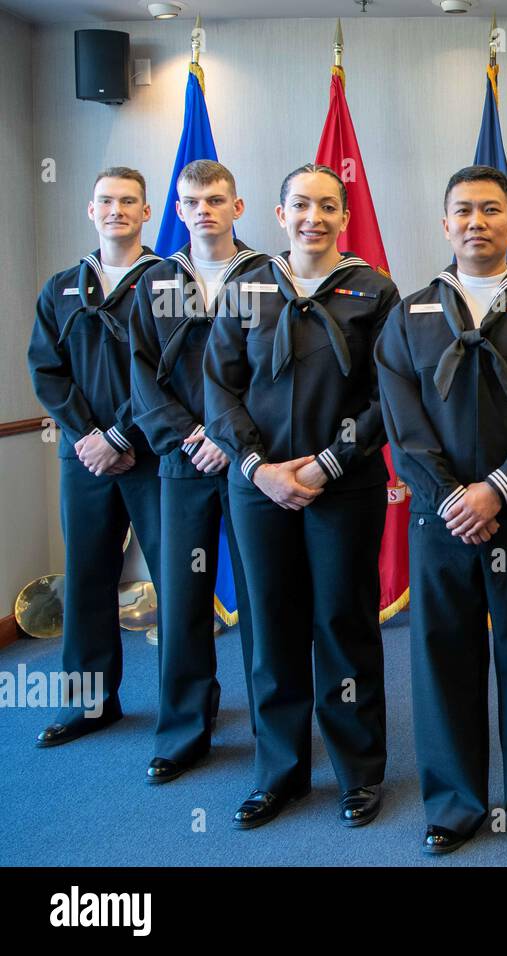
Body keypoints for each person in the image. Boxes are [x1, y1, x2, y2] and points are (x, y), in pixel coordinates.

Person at [375, 165, 507, 856]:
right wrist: (451, 496)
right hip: (439, 520)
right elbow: (402, 422)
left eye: (491, 210)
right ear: (445, 225)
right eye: (462, 210)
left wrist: (497, 487)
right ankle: (453, 803)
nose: (476, 222)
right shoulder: (410, 314)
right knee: (442, 660)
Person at [204, 163, 397, 828]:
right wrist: (259, 468)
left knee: (343, 625)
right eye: (300, 206)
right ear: (279, 216)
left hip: (343, 488)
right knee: (270, 630)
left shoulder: (375, 292)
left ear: (345, 217)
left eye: (327, 206)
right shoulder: (246, 287)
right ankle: (278, 772)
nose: (313, 217)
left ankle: (358, 775)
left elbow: (387, 397)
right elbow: (218, 388)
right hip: (257, 490)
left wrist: (324, 465)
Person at [130, 159, 266, 783]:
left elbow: (279, 377)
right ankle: (184, 729)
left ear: (238, 208)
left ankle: (275, 726)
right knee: (182, 600)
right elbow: (141, 374)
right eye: (192, 201)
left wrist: (228, 439)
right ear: (177, 211)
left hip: (249, 462)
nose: (204, 209)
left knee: (265, 600)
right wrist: (190, 438)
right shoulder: (156, 282)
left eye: (216, 199)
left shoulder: (268, 278)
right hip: (182, 462)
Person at [28, 167, 163, 747]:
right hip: (83, 458)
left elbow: (173, 373)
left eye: (128, 201)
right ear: (91, 210)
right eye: (106, 200)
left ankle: (187, 711)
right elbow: (47, 370)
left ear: (146, 212)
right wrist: (90, 435)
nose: (117, 210)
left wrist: (122, 436)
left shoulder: (169, 283)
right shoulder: (61, 287)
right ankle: (89, 705)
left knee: (178, 581)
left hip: (154, 455)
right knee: (87, 578)